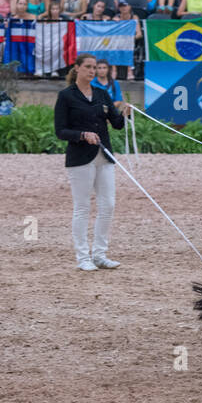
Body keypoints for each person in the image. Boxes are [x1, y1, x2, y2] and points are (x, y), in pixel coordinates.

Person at [54, 53, 132, 271]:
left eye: (95, 67)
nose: (92, 71)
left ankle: (100, 254)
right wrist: (81, 135)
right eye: (88, 67)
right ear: (77, 68)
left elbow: (116, 124)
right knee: (82, 207)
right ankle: (82, 257)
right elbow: (60, 131)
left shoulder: (102, 94)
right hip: (80, 158)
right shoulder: (66, 96)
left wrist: (125, 113)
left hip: (104, 155)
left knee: (108, 204)